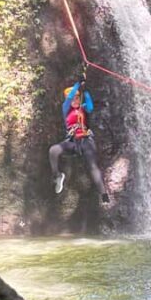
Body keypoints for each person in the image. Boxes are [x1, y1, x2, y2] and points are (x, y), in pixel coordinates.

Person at [49, 74, 109, 203]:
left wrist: (85, 91)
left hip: (86, 141)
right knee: (53, 150)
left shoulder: (83, 108)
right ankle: (58, 176)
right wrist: (78, 84)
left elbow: (90, 107)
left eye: (77, 98)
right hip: (72, 142)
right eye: (73, 99)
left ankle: (103, 194)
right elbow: (68, 98)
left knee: (93, 166)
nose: (75, 100)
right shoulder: (66, 109)